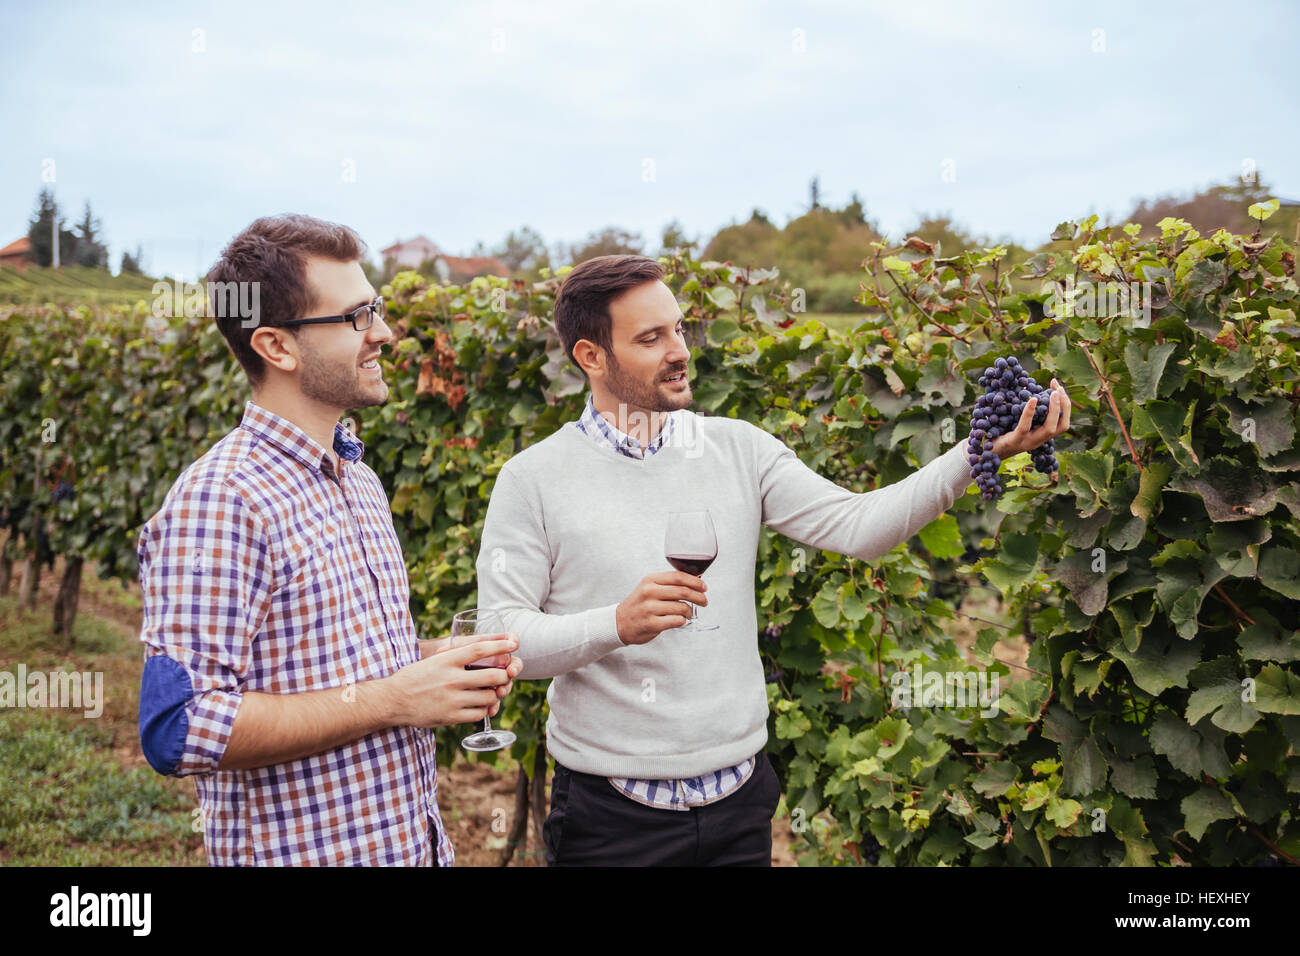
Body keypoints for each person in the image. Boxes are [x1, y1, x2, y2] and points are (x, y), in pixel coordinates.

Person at [475, 254, 1071, 866]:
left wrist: (978, 454)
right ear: (590, 357)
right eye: (650, 338)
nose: (678, 350)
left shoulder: (739, 449)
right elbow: (500, 635)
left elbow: (859, 526)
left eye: (679, 329)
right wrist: (615, 625)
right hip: (611, 819)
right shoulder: (533, 480)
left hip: (739, 803)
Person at [135, 214, 522, 866]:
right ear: (278, 347)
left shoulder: (359, 481)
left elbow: (336, 667)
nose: (385, 332)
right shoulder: (222, 501)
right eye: (357, 317)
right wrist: (396, 700)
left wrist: (432, 664)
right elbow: (179, 727)